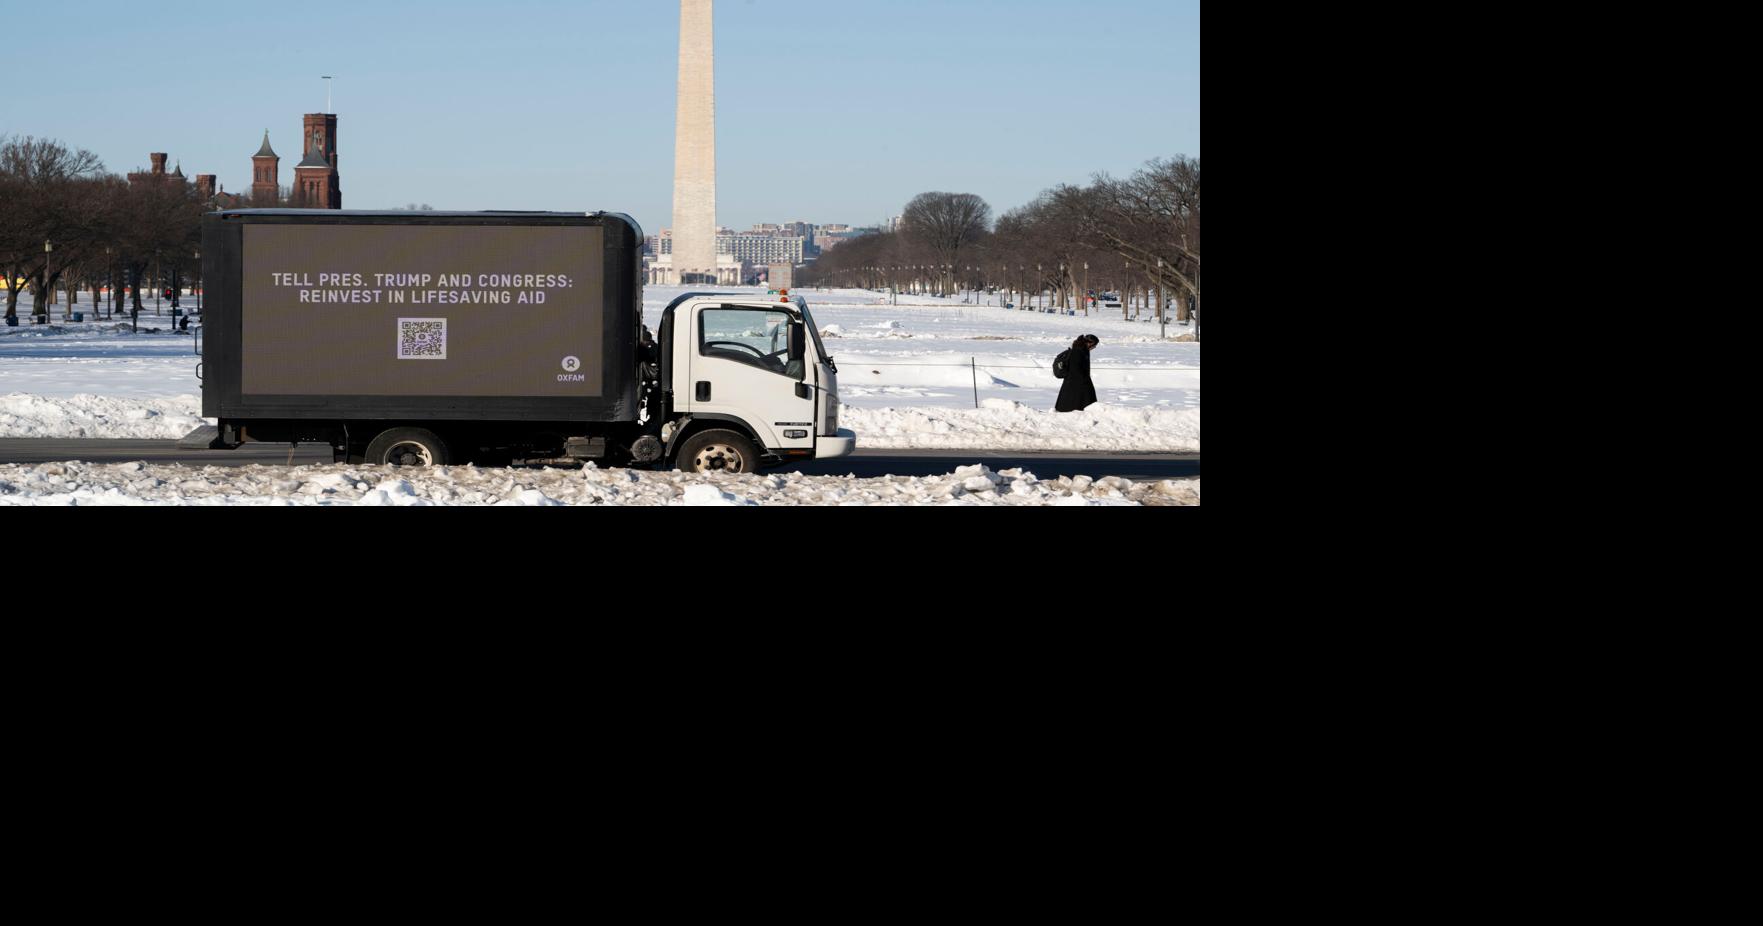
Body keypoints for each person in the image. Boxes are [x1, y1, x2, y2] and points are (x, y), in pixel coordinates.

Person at [1055, 334, 1099, 412]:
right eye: (1094, 345)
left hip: (1075, 383)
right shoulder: (1078, 352)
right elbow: (1076, 369)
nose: (1094, 348)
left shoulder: (1082, 350)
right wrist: (1085, 381)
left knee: (1076, 404)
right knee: (1078, 405)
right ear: (1089, 343)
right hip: (1075, 384)